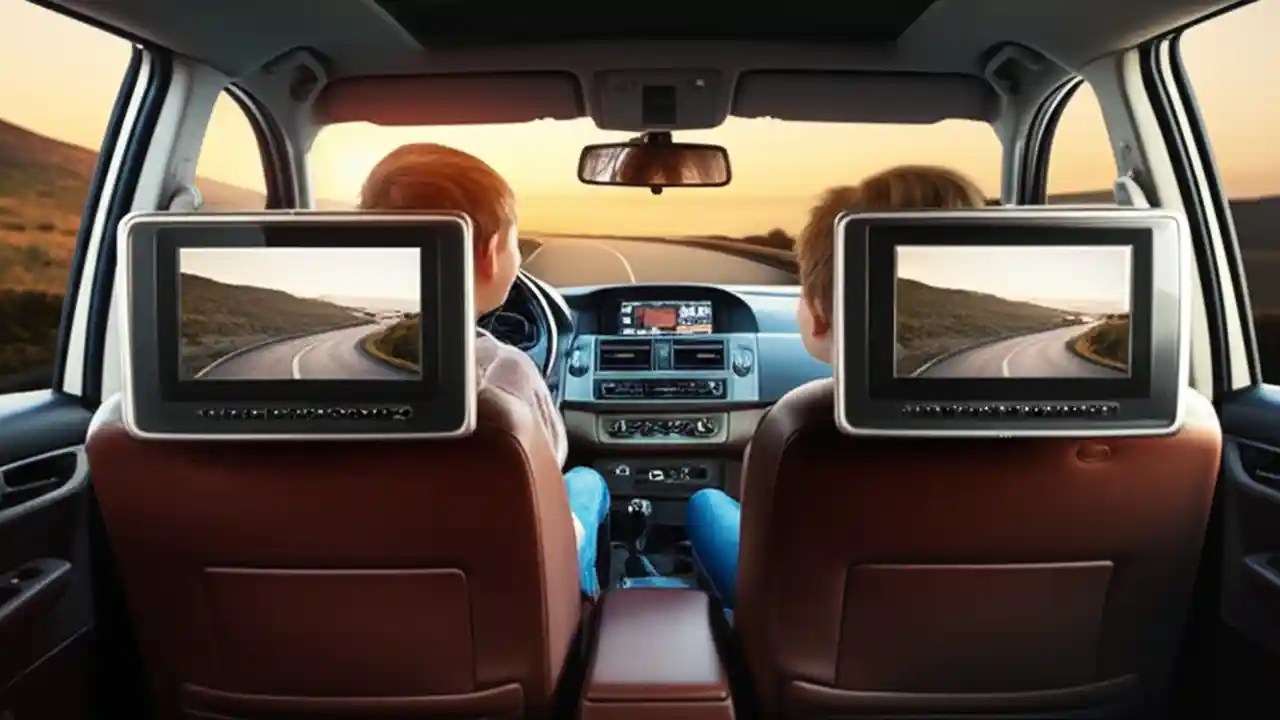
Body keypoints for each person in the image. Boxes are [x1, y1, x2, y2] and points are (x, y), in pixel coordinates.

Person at [684, 165, 987, 611]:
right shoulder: (1075, 425)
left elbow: (768, 571)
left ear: (819, 311)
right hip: (1035, 671)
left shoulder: (797, 432)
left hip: (822, 663)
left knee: (707, 504)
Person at [360, 143, 611, 596]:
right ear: (493, 251)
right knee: (586, 484)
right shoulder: (503, 374)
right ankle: (592, 606)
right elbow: (541, 502)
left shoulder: (301, 383)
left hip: (349, 601)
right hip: (496, 612)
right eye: (517, 239)